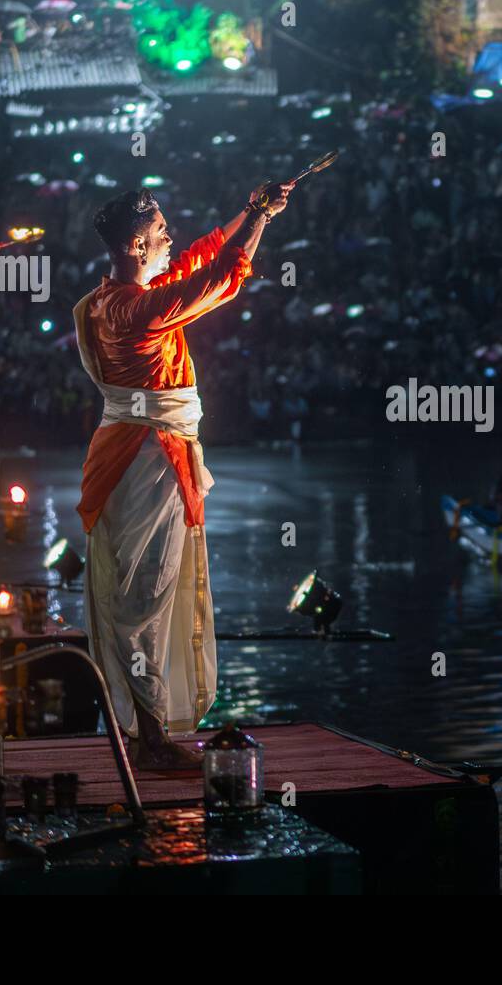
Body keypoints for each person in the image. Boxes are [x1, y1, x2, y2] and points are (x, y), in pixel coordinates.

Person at [75, 181, 293, 770]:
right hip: (144, 459)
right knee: (144, 595)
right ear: (139, 244)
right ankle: (149, 739)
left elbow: (202, 256)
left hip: (142, 452)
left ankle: (148, 730)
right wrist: (258, 219)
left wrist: (253, 213)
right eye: (163, 233)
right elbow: (215, 281)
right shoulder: (128, 310)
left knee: (145, 590)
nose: (173, 239)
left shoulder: (113, 297)